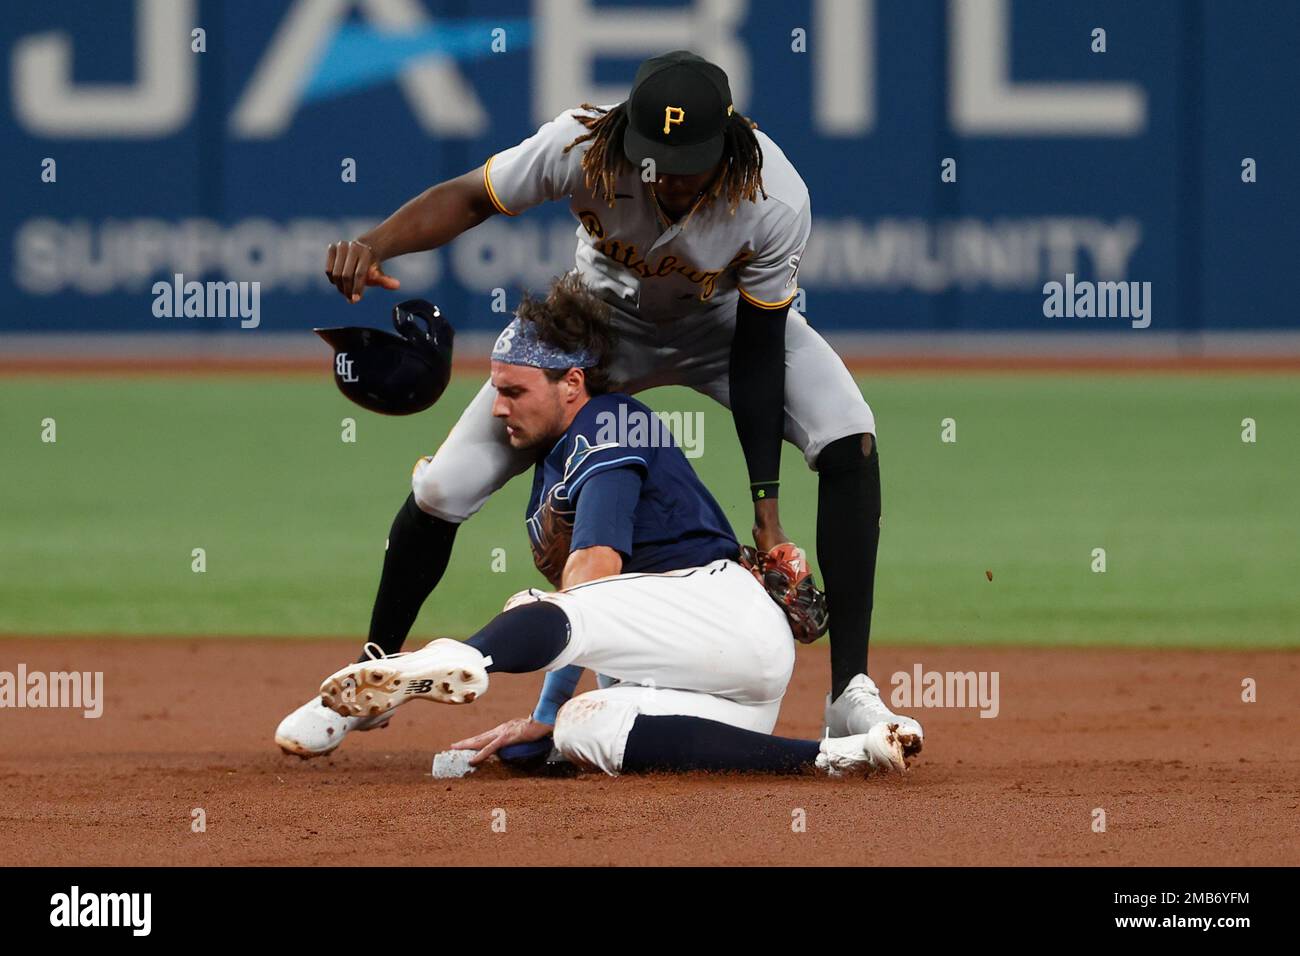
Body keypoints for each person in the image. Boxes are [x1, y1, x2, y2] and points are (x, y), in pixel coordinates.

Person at [276, 49, 922, 757]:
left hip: (727, 330)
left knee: (849, 435)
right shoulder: (579, 145)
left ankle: (849, 692)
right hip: (598, 327)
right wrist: (376, 243)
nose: (673, 178)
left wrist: (767, 514)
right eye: (659, 158)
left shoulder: (773, 194)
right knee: (441, 485)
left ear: (731, 141)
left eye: (691, 161)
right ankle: (371, 678)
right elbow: (469, 196)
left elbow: (761, 349)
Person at [313, 275, 908, 777]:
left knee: (537, 604)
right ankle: (835, 755)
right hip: (706, 680)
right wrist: (547, 721)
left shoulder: (608, 420)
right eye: (496, 390)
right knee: (584, 727)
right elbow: (594, 605)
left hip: (718, 614)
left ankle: (449, 658)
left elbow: (596, 569)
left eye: (514, 390)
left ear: (571, 383)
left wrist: (522, 663)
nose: (498, 408)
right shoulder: (552, 464)